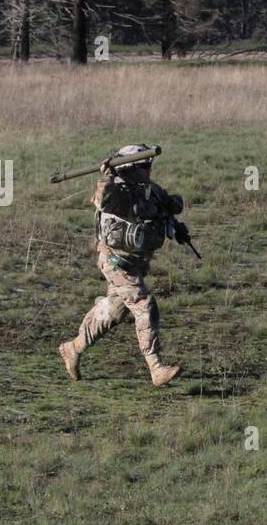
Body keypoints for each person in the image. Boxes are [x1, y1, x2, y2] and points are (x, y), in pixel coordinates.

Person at [58, 144, 191, 387]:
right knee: (143, 304)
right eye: (144, 166)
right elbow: (101, 199)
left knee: (113, 311)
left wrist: (176, 225)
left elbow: (168, 210)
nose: (149, 170)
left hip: (136, 262)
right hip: (115, 262)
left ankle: (73, 348)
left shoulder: (150, 191)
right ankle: (156, 367)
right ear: (131, 168)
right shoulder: (115, 191)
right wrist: (106, 176)